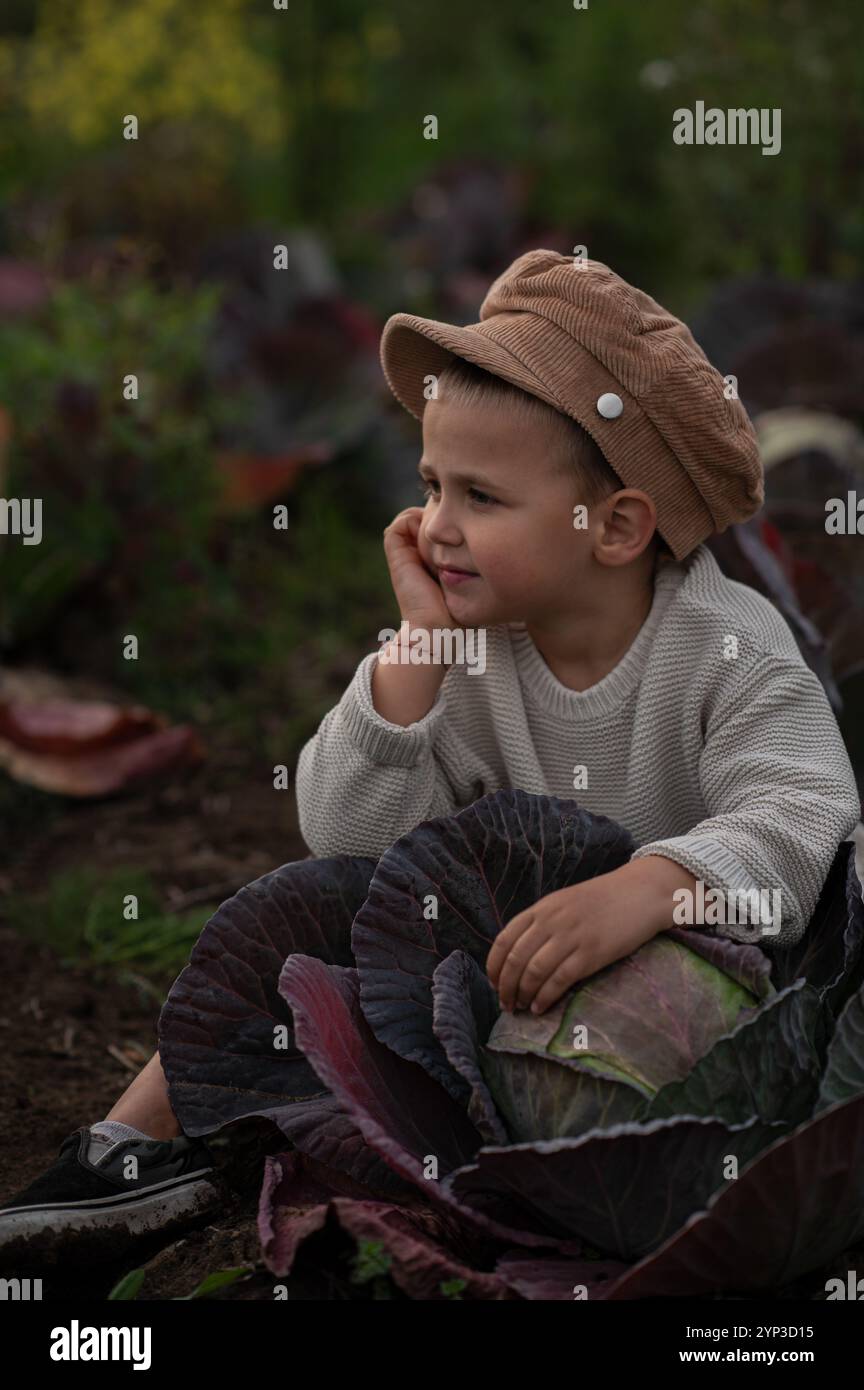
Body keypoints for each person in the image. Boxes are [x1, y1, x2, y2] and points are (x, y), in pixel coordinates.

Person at [2, 250, 859, 1264]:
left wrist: (656, 887)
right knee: (310, 930)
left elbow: (805, 809)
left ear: (618, 526)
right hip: (518, 997)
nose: (436, 527)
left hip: (728, 1017)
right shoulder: (465, 646)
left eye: (481, 498)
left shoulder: (727, 645)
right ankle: (137, 1158)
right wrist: (411, 652)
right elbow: (350, 839)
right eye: (430, 485)